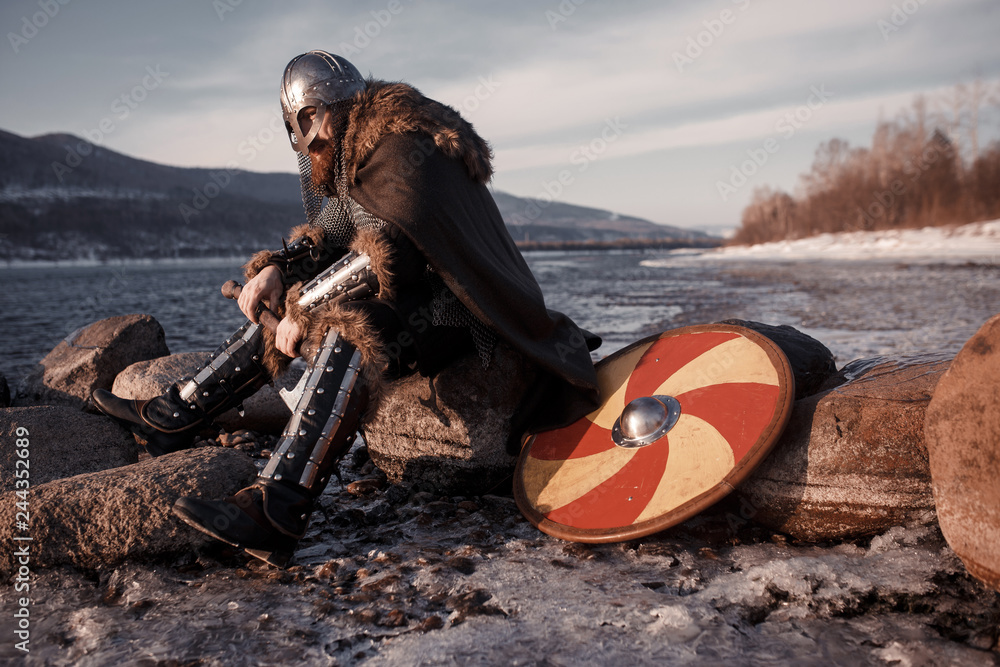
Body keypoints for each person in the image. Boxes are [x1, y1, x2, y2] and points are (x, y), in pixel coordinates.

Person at [93, 50, 601, 567]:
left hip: (464, 308)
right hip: (415, 293)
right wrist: (280, 270)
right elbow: (336, 236)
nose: (302, 138)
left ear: (313, 117)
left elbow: (386, 250)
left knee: (345, 327)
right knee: (300, 306)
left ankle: (279, 506)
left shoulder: (401, 148)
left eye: (301, 124)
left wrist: (304, 309)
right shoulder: (364, 144)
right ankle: (175, 414)